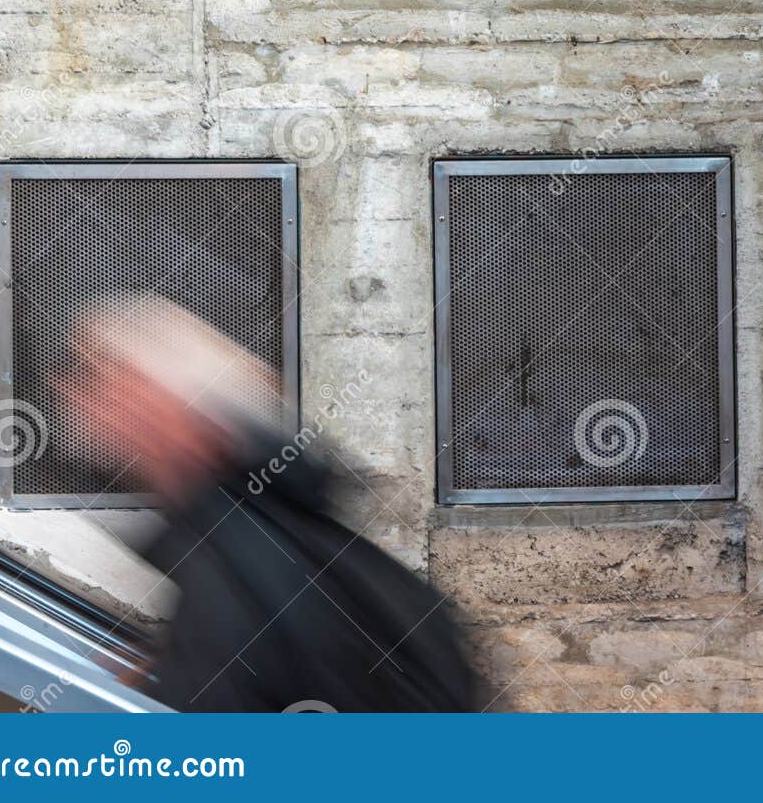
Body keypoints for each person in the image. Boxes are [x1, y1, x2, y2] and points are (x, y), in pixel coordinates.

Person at [56, 294, 476, 712]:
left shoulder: (235, 572)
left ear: (190, 424)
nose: (86, 398)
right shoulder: (268, 533)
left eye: (116, 384)